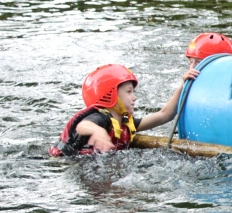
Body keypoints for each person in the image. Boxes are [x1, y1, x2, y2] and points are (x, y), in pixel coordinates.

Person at [53, 62, 197, 156]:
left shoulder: (125, 123)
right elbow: (82, 126)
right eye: (129, 92)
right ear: (110, 95)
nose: (134, 98)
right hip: (64, 163)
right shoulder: (100, 119)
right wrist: (98, 131)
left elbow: (164, 115)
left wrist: (183, 85)